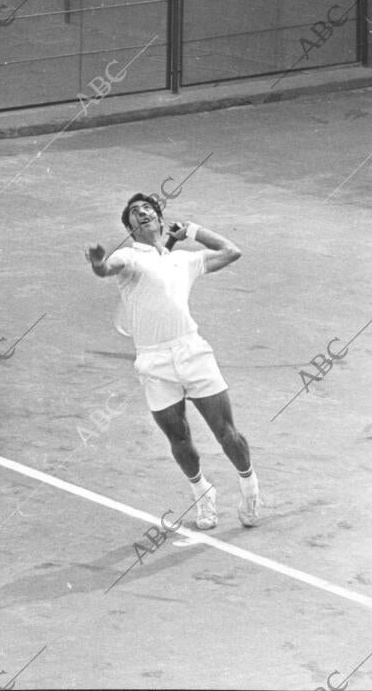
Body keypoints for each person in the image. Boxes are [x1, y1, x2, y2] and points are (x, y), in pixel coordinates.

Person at [85, 193, 261, 529]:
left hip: (192, 352)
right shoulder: (128, 257)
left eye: (148, 209)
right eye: (134, 213)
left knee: (227, 434)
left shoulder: (186, 261)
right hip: (153, 362)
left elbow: (231, 251)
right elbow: (107, 268)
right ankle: (202, 496)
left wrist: (192, 230)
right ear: (131, 228)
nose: (142, 214)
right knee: (179, 439)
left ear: (161, 221)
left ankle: (249, 487)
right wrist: (97, 263)